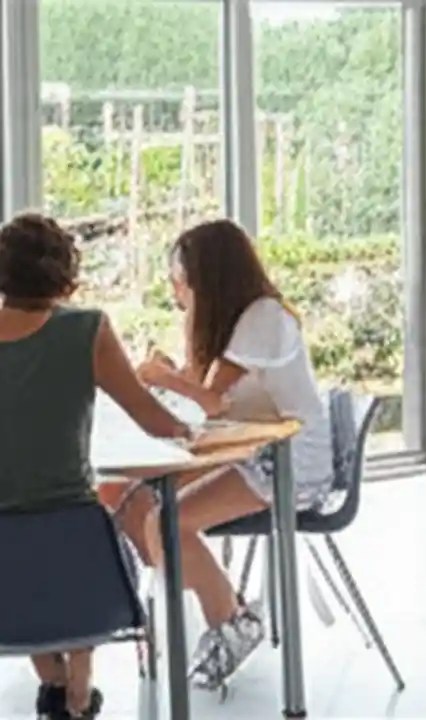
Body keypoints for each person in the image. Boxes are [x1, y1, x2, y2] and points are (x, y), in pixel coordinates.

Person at [99, 219, 334, 690]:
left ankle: (229, 620)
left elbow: (213, 402)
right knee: (123, 495)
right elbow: (207, 397)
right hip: (248, 450)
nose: (178, 289)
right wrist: (175, 366)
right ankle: (213, 602)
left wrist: (161, 377)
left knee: (164, 522)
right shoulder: (240, 320)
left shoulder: (264, 316)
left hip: (286, 461)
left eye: (182, 279)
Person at [0, 214, 191, 719]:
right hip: (77, 540)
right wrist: (193, 429)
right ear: (66, 275)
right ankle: (78, 690)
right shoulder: (87, 329)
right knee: (84, 552)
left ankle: (59, 685)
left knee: (25, 569)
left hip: (5, 552)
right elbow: (149, 416)